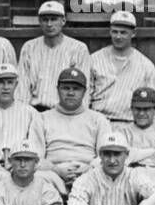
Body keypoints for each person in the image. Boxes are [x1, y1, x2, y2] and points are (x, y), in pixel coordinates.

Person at [38, 66, 112, 194]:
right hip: (52, 173)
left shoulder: (98, 119)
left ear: (84, 92)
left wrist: (89, 168)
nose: (71, 93)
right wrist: (55, 169)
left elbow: (106, 154)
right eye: (66, 88)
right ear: (57, 89)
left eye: (76, 89)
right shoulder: (42, 118)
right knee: (35, 178)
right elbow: (35, 156)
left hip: (88, 171)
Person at [88, 9, 155, 124]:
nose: (118, 36)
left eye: (123, 32)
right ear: (110, 32)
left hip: (130, 124)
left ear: (133, 33)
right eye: (115, 32)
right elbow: (84, 99)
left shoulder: (145, 65)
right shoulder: (94, 59)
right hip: (97, 122)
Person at [17, 0, 89, 110]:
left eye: (54, 19)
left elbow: (83, 89)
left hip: (64, 113)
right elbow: (22, 88)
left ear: (63, 21)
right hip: (35, 112)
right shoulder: (29, 47)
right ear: (40, 22)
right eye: (45, 20)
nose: (49, 24)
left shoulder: (78, 49)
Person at [115, 86, 155, 187]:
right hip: (130, 178)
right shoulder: (121, 133)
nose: (141, 113)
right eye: (137, 109)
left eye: (146, 109)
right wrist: (154, 153)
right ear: (131, 109)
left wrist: (134, 157)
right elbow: (121, 160)